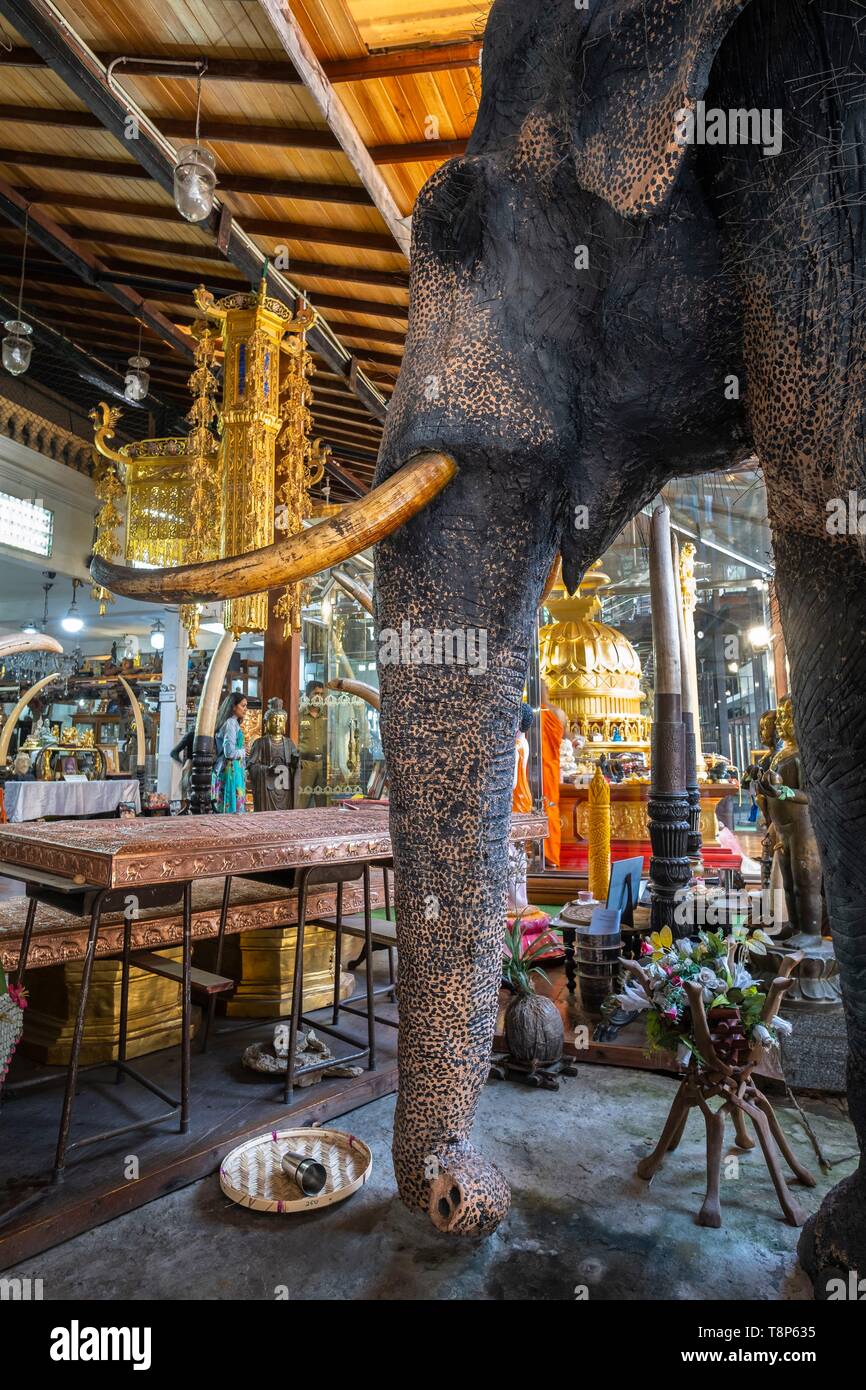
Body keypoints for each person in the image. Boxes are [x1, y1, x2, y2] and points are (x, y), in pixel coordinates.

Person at [540, 681, 567, 869]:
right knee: (547, 807)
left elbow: (565, 739)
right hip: (543, 767)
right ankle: (544, 855)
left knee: (548, 808)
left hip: (546, 766)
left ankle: (548, 855)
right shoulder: (555, 713)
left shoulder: (553, 713)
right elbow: (568, 738)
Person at [212, 692, 248, 813]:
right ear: (233, 706)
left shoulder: (233, 723)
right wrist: (244, 751)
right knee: (232, 808)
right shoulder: (230, 723)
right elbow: (230, 753)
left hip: (232, 769)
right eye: (243, 706)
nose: (246, 709)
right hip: (231, 770)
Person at [298, 679, 327, 807]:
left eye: (321, 694)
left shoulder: (326, 716)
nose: (319, 697)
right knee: (302, 803)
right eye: (316, 693)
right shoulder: (300, 715)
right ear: (308, 695)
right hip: (306, 764)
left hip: (323, 765)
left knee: (323, 804)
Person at [512, 703, 533, 814]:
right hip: (523, 796)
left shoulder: (516, 747)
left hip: (516, 800)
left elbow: (513, 783)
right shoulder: (524, 742)